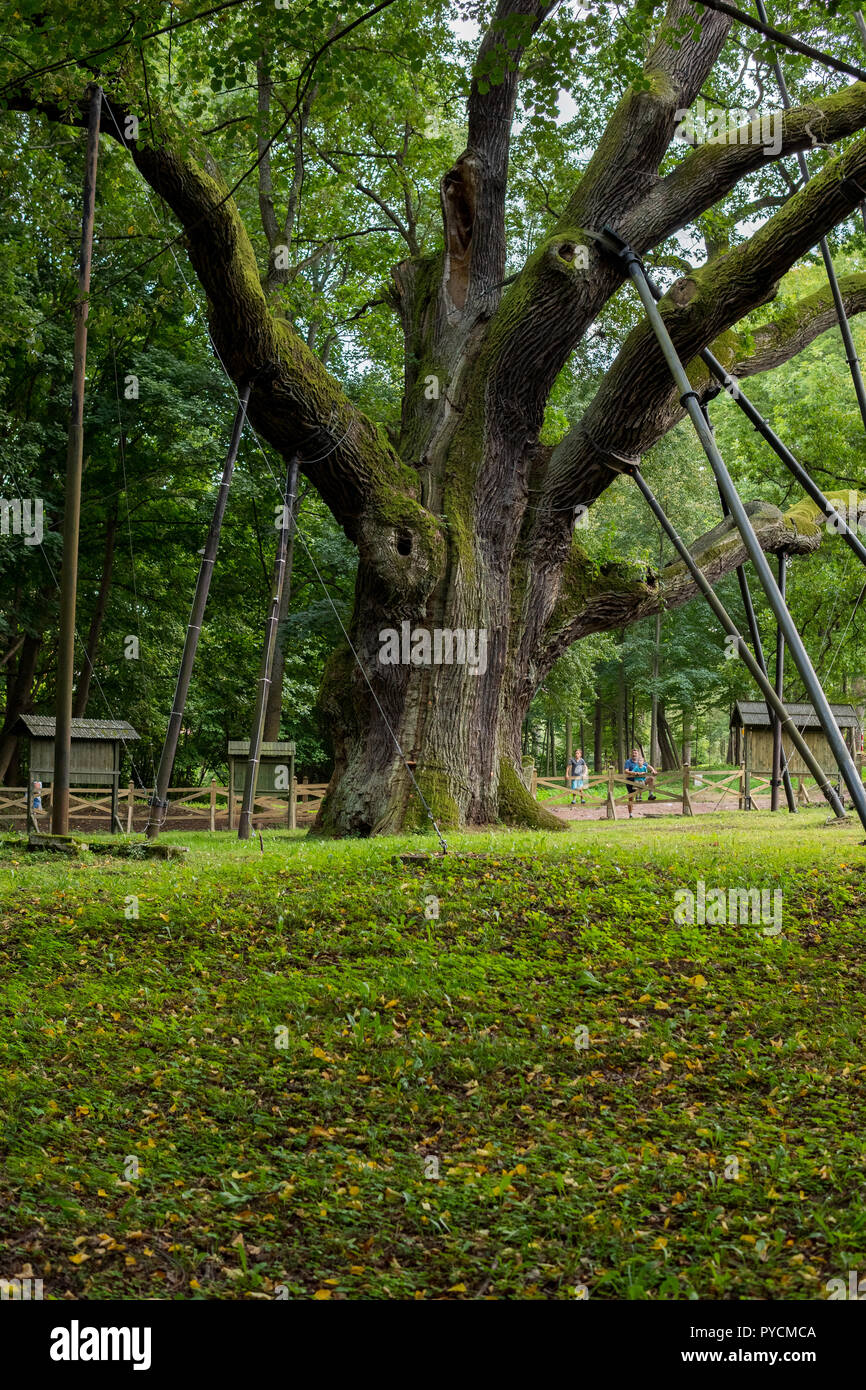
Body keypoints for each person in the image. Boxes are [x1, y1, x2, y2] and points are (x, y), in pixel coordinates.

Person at [624, 747, 656, 816]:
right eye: (633, 753)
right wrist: (634, 773)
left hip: (641, 781)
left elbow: (648, 766)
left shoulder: (641, 762)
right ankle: (630, 814)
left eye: (635, 753)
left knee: (651, 778)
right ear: (631, 754)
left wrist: (653, 770)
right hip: (631, 782)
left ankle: (650, 795)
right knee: (630, 798)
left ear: (638, 754)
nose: (634, 754)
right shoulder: (628, 762)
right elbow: (626, 771)